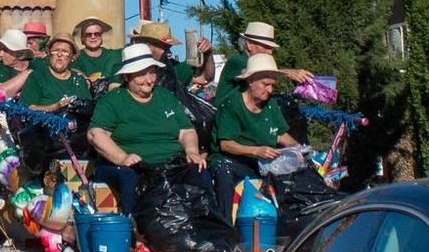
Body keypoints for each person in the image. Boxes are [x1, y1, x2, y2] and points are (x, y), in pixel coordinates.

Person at [88, 42, 209, 213]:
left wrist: (191, 151)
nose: (149, 80)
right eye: (141, 74)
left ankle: (205, 225)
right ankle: (134, 228)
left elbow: (186, 131)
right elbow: (96, 134)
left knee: (199, 171)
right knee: (130, 176)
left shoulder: (165, 96)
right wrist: (122, 158)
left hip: (169, 162)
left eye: (151, 72)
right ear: (127, 76)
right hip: (131, 166)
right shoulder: (113, 101)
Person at [212, 53, 295, 214]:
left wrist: (299, 150)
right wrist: (256, 150)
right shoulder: (232, 104)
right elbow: (226, 144)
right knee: (224, 170)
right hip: (234, 161)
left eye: (272, 85)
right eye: (265, 84)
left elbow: (280, 134)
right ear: (250, 81)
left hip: (262, 163)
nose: (270, 90)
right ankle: (226, 227)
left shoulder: (270, 104)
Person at [213, 21, 314, 101]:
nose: (270, 52)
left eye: (271, 48)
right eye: (266, 46)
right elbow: (257, 73)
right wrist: (288, 73)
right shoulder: (238, 61)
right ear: (250, 45)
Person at [21, 35, 92, 112]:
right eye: (55, 50)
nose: (59, 54)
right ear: (49, 54)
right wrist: (56, 106)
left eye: (65, 52)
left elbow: (88, 109)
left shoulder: (79, 80)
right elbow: (26, 108)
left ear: (72, 57)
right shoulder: (37, 77)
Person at [69, 17, 123, 85]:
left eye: (97, 34)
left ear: (101, 37)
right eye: (88, 35)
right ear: (83, 38)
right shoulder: (76, 58)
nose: (93, 37)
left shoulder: (113, 55)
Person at [0, 29, 35, 98]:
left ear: (19, 53)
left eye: (5, 50)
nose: (1, 54)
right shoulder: (0, 69)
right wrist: (27, 73)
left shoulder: (35, 63)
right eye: (0, 49)